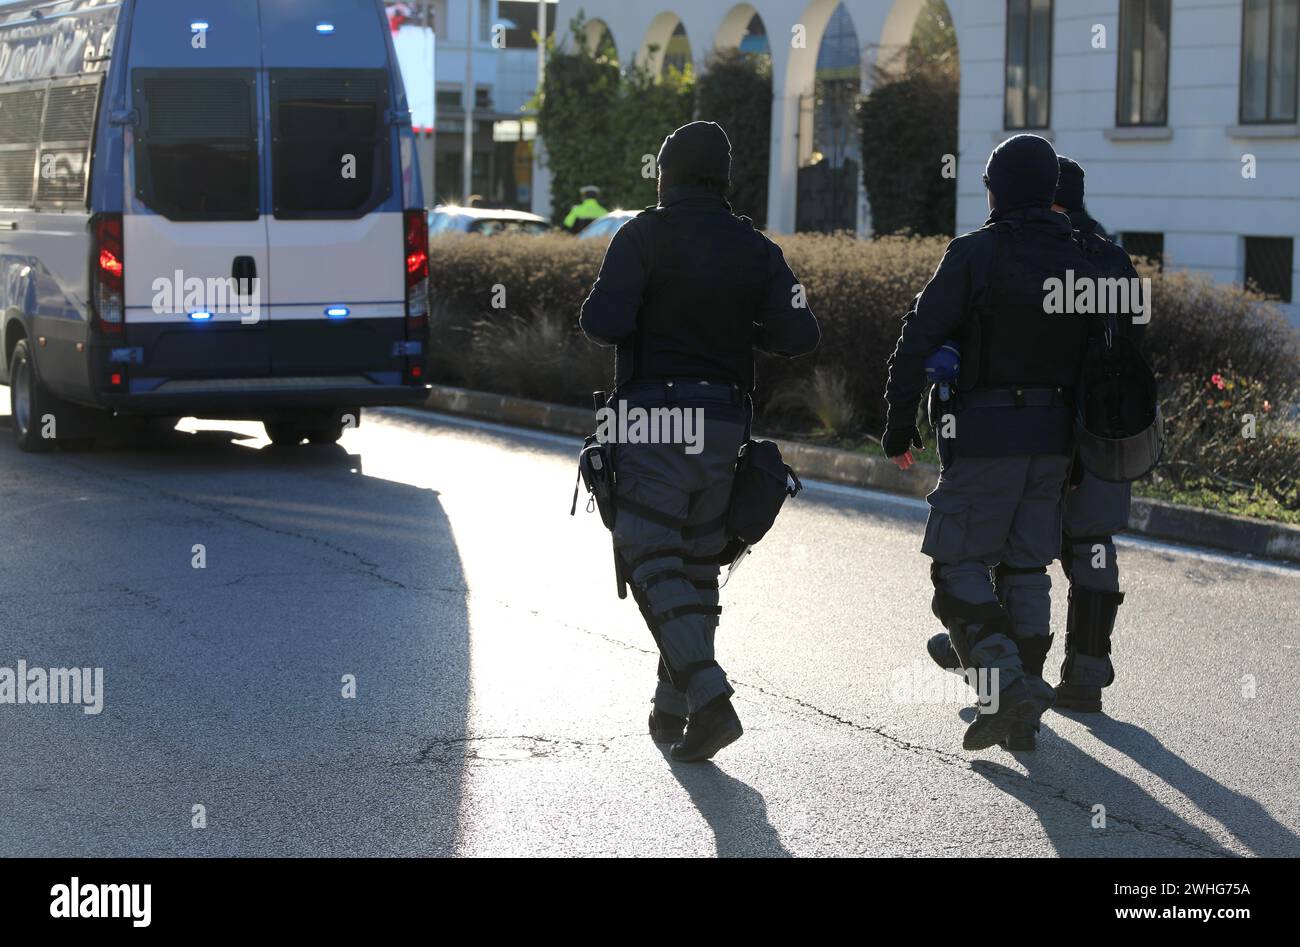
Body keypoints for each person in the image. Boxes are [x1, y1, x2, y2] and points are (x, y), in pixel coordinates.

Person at [579, 121, 819, 762]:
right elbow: (800, 334)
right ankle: (672, 707)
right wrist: (739, 323)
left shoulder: (641, 236)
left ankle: (711, 700)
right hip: (724, 423)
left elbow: (601, 323)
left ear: (666, 175)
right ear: (724, 179)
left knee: (649, 553)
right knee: (697, 561)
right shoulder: (757, 249)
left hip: (654, 418)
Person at [883, 134, 1103, 751]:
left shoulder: (977, 253)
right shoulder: (1087, 260)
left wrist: (900, 423)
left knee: (956, 564)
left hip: (986, 435)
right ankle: (1024, 701)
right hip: (1057, 440)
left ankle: (1007, 687)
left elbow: (917, 339)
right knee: (1027, 566)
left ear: (997, 188)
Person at [1050, 155, 1143, 713]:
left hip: (1043, 421)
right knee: (1094, 548)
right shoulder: (1114, 256)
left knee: (1016, 542)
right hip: (1107, 425)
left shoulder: (1041, 248)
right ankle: (1087, 671)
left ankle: (995, 667)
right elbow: (1135, 336)